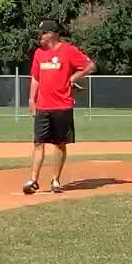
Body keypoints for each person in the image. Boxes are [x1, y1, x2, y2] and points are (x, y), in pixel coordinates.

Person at [24, 19, 93, 195]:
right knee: (38, 143)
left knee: (59, 144)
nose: (40, 36)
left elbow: (90, 66)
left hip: (62, 105)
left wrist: (74, 78)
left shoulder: (68, 50)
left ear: (52, 34)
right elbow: (35, 78)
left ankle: (55, 180)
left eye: (43, 33)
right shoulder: (39, 53)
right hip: (43, 105)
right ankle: (33, 180)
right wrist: (32, 98)